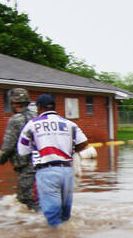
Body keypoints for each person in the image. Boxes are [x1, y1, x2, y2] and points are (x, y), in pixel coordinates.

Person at [16, 93, 89, 226]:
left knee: (53, 216)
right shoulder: (69, 123)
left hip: (46, 171)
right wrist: (70, 150)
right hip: (67, 171)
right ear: (54, 107)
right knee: (65, 214)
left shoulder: (32, 124)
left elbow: (22, 151)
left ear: (39, 107)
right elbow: (84, 143)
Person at [0, 87, 38, 208]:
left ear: (14, 103)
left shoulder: (15, 120)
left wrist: (1, 159)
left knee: (26, 200)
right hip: (44, 165)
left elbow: (8, 145)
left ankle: (39, 225)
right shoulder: (38, 117)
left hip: (26, 167)